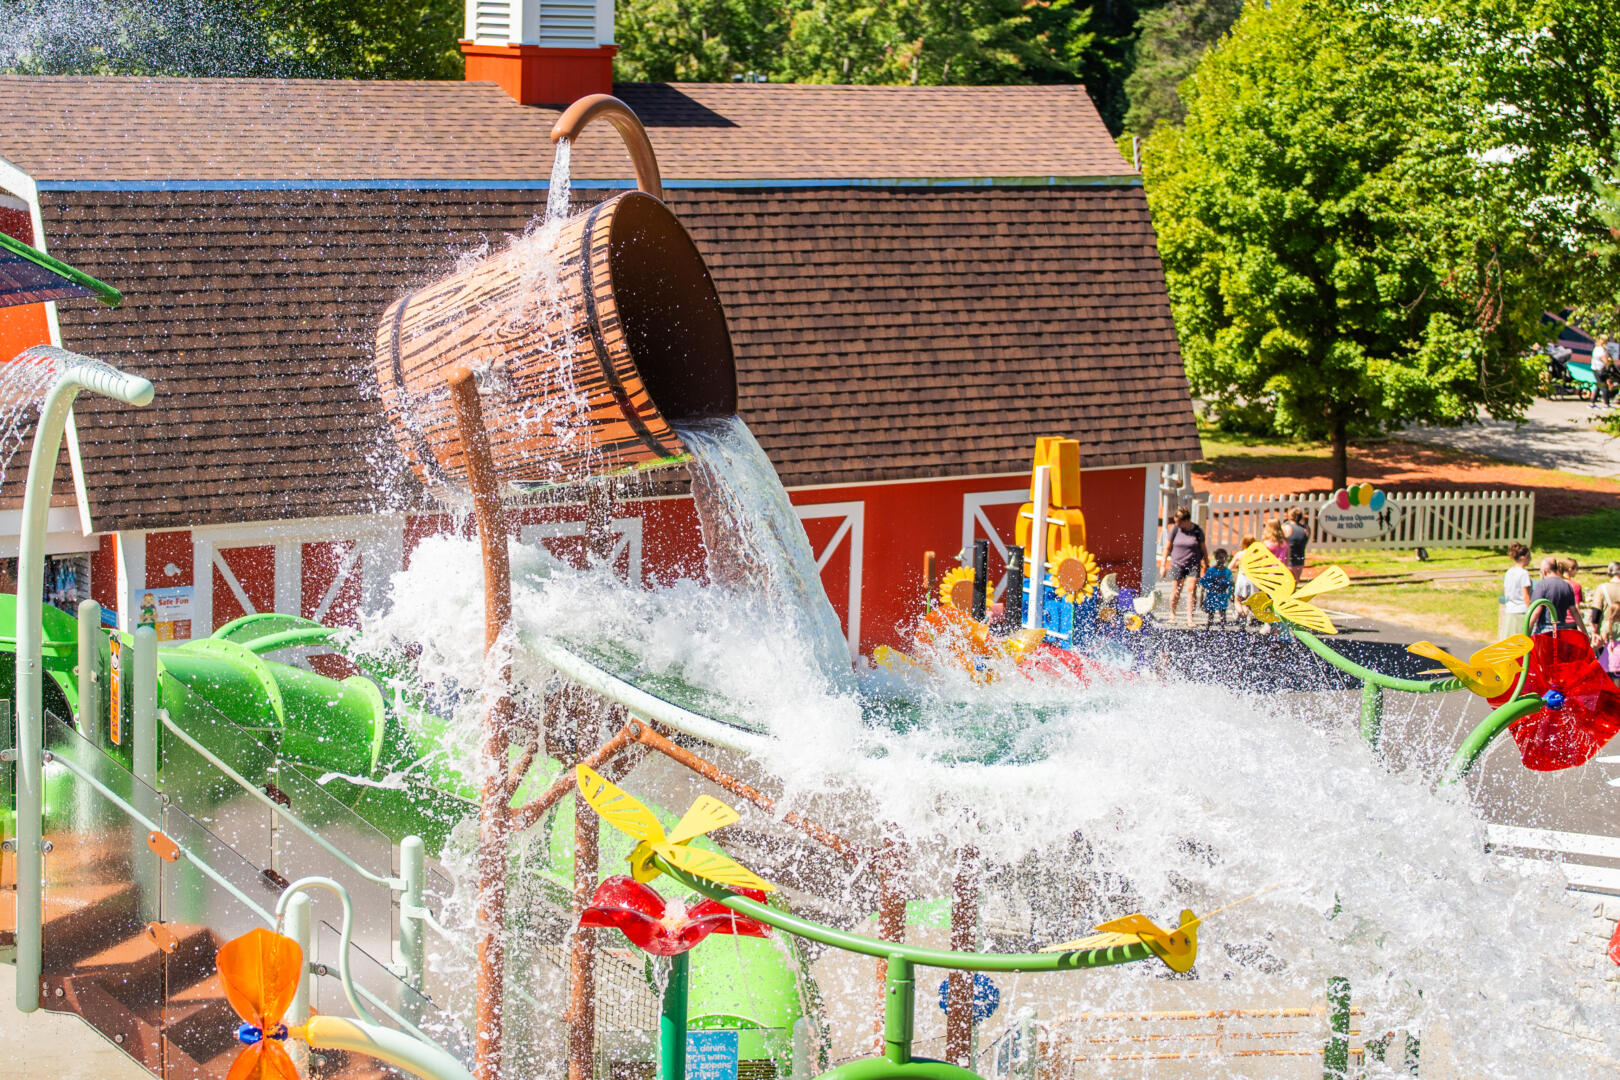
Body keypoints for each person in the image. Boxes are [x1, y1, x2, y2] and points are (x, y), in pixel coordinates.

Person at [1161, 508, 1207, 625]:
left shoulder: (1197, 531)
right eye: (1175, 521)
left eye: (1179, 522)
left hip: (1193, 564)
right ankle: (1172, 614)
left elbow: (1203, 548)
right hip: (1177, 564)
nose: (1177, 524)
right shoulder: (1175, 530)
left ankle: (1190, 618)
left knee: (1191, 591)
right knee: (1176, 591)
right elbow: (1167, 548)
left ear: (1187, 520)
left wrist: (1206, 564)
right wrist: (1163, 565)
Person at [1530, 556, 1578, 633]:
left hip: (1545, 628)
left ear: (1544, 571)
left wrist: (1527, 631)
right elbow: (1574, 611)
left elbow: (1536, 611)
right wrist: (1584, 631)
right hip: (1561, 628)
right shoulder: (1566, 585)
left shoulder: (1542, 585)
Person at [1590, 563, 1620, 681]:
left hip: (1608, 632)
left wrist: (1594, 631)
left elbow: (1596, 612)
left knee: (1608, 667)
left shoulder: (1602, 588)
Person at [1499, 542, 1532, 639]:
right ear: (1523, 558)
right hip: (1520, 610)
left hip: (1509, 610)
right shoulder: (1523, 573)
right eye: (1529, 557)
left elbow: (1506, 591)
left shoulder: (1509, 572)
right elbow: (1525, 595)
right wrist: (1530, 610)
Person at [1199, 548, 1234, 630]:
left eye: (1224, 558)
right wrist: (1201, 599)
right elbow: (1204, 583)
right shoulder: (1211, 570)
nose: (1222, 560)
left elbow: (1231, 584)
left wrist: (1231, 595)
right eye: (1220, 557)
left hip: (1222, 594)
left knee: (1222, 614)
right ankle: (1208, 630)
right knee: (1211, 614)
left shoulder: (1227, 571)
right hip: (1212, 594)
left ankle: (1222, 630)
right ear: (1216, 558)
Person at [1234, 533, 1259, 628]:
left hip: (1242, 579)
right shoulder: (1255, 554)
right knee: (1248, 601)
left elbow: (1230, 566)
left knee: (1238, 600)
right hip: (1252, 579)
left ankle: (1241, 613)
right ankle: (1247, 615)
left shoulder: (1240, 554)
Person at [1282, 507, 1309, 581]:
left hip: (1287, 561)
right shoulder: (1306, 529)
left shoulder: (1285, 528)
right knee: (1295, 583)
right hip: (1300, 561)